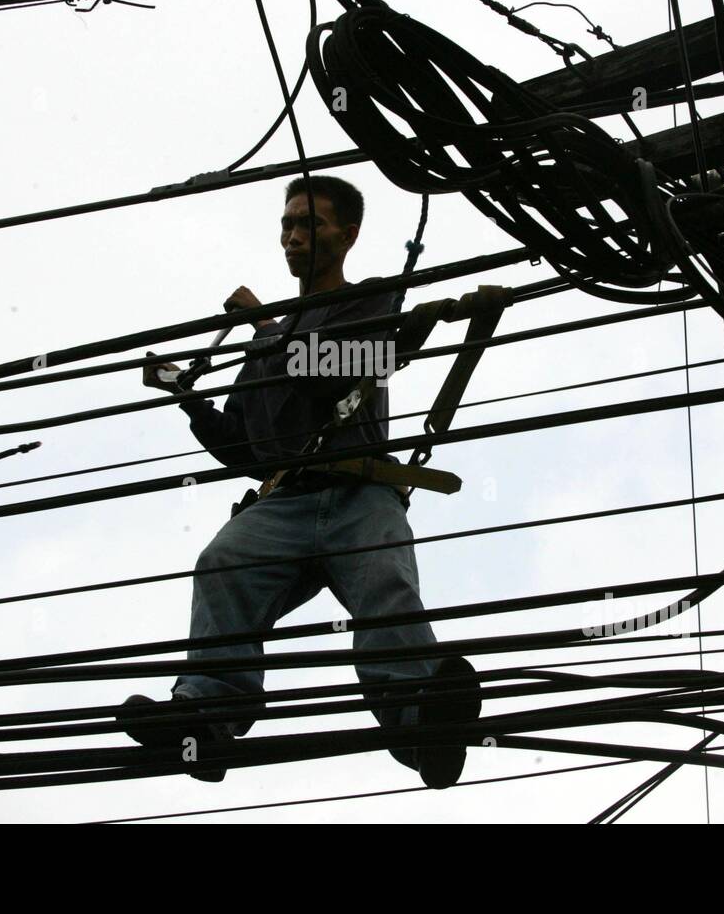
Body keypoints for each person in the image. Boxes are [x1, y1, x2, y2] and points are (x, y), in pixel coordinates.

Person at [121, 175, 479, 789]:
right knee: (222, 561)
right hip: (284, 499)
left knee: (385, 582)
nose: (293, 236)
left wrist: (265, 328)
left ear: (348, 234)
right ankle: (205, 719)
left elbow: (332, 373)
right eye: (287, 225)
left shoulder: (371, 300)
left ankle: (423, 726)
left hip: (360, 490)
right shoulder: (266, 342)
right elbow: (243, 447)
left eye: (309, 224)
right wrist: (189, 398)